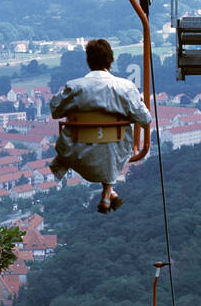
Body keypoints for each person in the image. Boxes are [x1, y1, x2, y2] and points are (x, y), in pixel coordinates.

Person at [49, 38, 152, 213]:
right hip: (116, 150)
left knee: (98, 149)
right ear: (110, 61)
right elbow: (145, 119)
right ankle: (108, 194)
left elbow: (55, 111)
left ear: (88, 61)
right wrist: (138, 101)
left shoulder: (74, 87)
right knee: (108, 149)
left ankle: (108, 194)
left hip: (78, 152)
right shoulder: (126, 87)